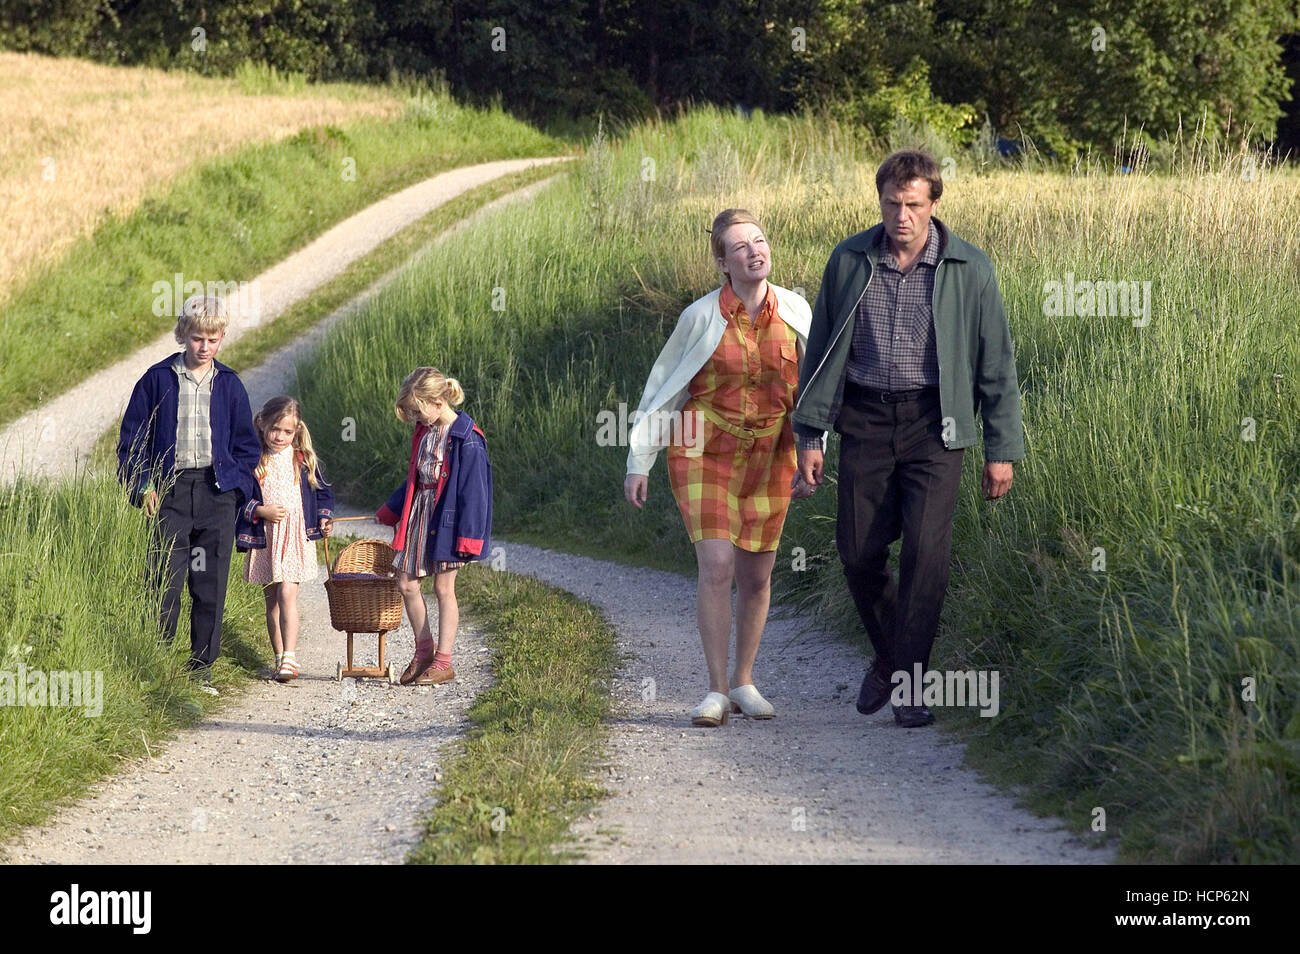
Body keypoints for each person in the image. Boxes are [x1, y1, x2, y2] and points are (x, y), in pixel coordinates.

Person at [793, 150, 1025, 728]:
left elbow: (996, 365)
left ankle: (911, 683)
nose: (902, 216)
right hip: (865, 419)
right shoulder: (849, 259)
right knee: (857, 551)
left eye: (914, 204)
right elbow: (820, 350)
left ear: (934, 203)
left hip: (936, 424)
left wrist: (1001, 450)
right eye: (892, 204)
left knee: (926, 556)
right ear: (880, 201)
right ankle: (891, 654)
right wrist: (809, 432)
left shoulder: (970, 267)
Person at [625, 208, 815, 727]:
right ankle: (715, 690)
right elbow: (663, 388)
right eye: (740, 247)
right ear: (722, 263)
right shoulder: (700, 317)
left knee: (757, 576)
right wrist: (639, 460)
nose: (755, 251)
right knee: (717, 566)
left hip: (772, 453)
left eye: (760, 241)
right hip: (702, 450)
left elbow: (814, 390)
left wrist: (812, 450)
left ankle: (744, 681)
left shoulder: (796, 310)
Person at [117, 293, 261, 695]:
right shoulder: (157, 379)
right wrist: (143, 485)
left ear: (222, 338)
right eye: (197, 338)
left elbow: (247, 446)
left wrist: (236, 490)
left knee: (209, 581)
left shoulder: (229, 384)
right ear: (183, 334)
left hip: (216, 493)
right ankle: (157, 663)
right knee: (164, 578)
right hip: (169, 492)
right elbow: (132, 441)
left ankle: (201, 668)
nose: (204, 347)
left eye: (213, 340)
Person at [375, 367, 493, 686]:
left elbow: (475, 494)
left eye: (418, 410)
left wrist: (469, 538)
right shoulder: (424, 431)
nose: (415, 417)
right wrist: (390, 510)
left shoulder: (467, 439)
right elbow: (414, 478)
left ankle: (443, 661)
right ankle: (424, 650)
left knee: (443, 588)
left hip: (448, 521)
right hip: (419, 515)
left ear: (439, 402)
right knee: (406, 583)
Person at [235, 396, 335, 682]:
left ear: (297, 430)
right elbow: (238, 498)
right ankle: (279, 658)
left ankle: (290, 657)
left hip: (294, 536)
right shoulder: (253, 459)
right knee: (272, 602)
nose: (280, 437)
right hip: (266, 537)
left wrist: (324, 518)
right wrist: (259, 510)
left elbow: (324, 493)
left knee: (287, 594)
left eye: (287, 432)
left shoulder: (302, 459)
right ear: (262, 424)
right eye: (275, 429)